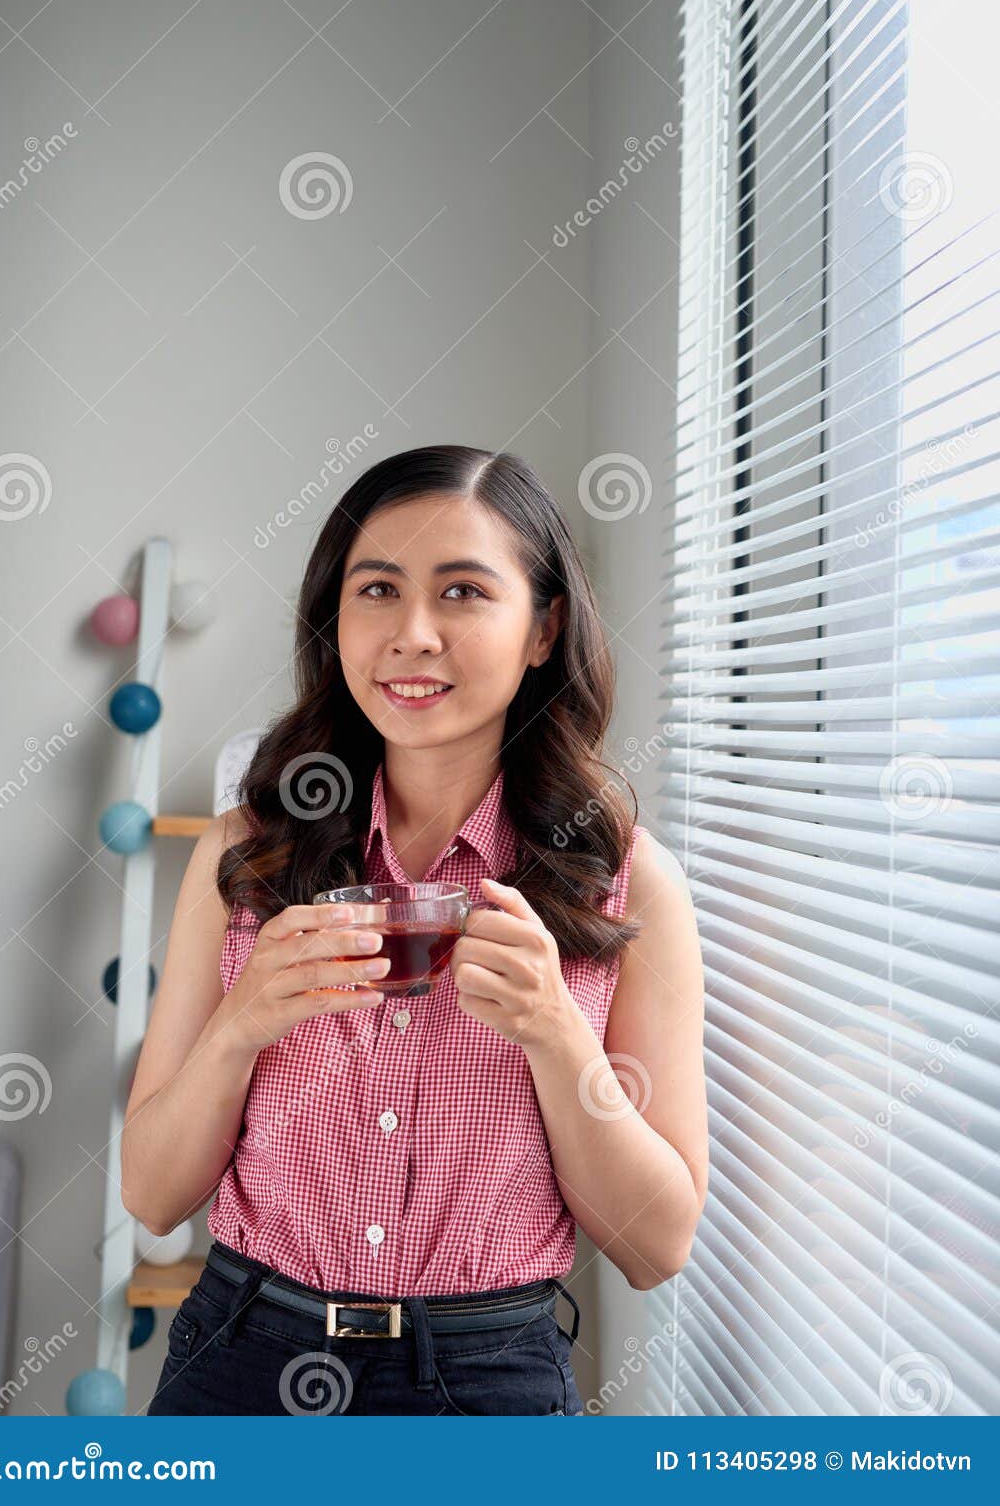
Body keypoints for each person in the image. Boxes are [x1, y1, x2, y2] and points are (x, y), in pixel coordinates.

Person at [125, 444, 707, 1415]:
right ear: (337, 618)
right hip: (241, 1359)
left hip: (486, 1382)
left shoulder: (625, 885)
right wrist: (242, 1024)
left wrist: (558, 1035)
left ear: (542, 626)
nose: (414, 633)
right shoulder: (245, 857)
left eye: (465, 591)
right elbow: (151, 1195)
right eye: (379, 589)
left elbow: (657, 1246)